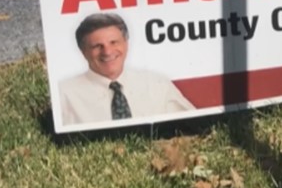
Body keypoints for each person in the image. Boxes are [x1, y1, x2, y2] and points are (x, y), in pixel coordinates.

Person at [58, 13, 196, 127]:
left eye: (114, 42)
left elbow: (194, 127)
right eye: (97, 46)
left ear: (126, 44)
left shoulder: (157, 84)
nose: (107, 52)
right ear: (83, 51)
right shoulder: (64, 94)